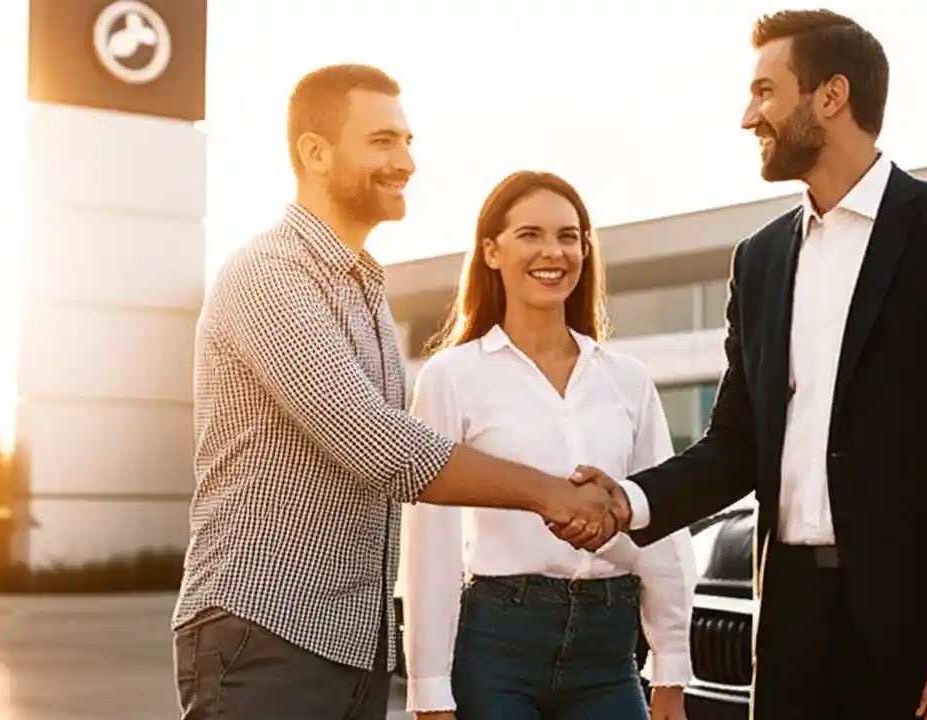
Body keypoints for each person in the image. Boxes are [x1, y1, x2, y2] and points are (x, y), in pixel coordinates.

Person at [561, 9, 927, 720]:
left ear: (831, 96)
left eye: (764, 92)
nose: (748, 115)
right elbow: (735, 446)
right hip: (789, 625)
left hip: (916, 628)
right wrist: (630, 501)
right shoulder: (760, 259)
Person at [171, 65, 623, 720]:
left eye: (408, 142)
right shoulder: (269, 273)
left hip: (350, 644)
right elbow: (380, 446)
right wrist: (552, 492)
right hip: (266, 631)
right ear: (316, 153)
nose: (405, 161)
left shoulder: (363, 289)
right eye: (383, 141)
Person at [399, 170, 696, 720]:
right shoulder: (451, 377)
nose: (553, 252)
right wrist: (430, 690)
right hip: (496, 648)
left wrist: (670, 672)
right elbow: (430, 542)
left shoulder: (626, 378)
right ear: (491, 250)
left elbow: (663, 527)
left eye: (568, 236)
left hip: (609, 654)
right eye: (530, 234)